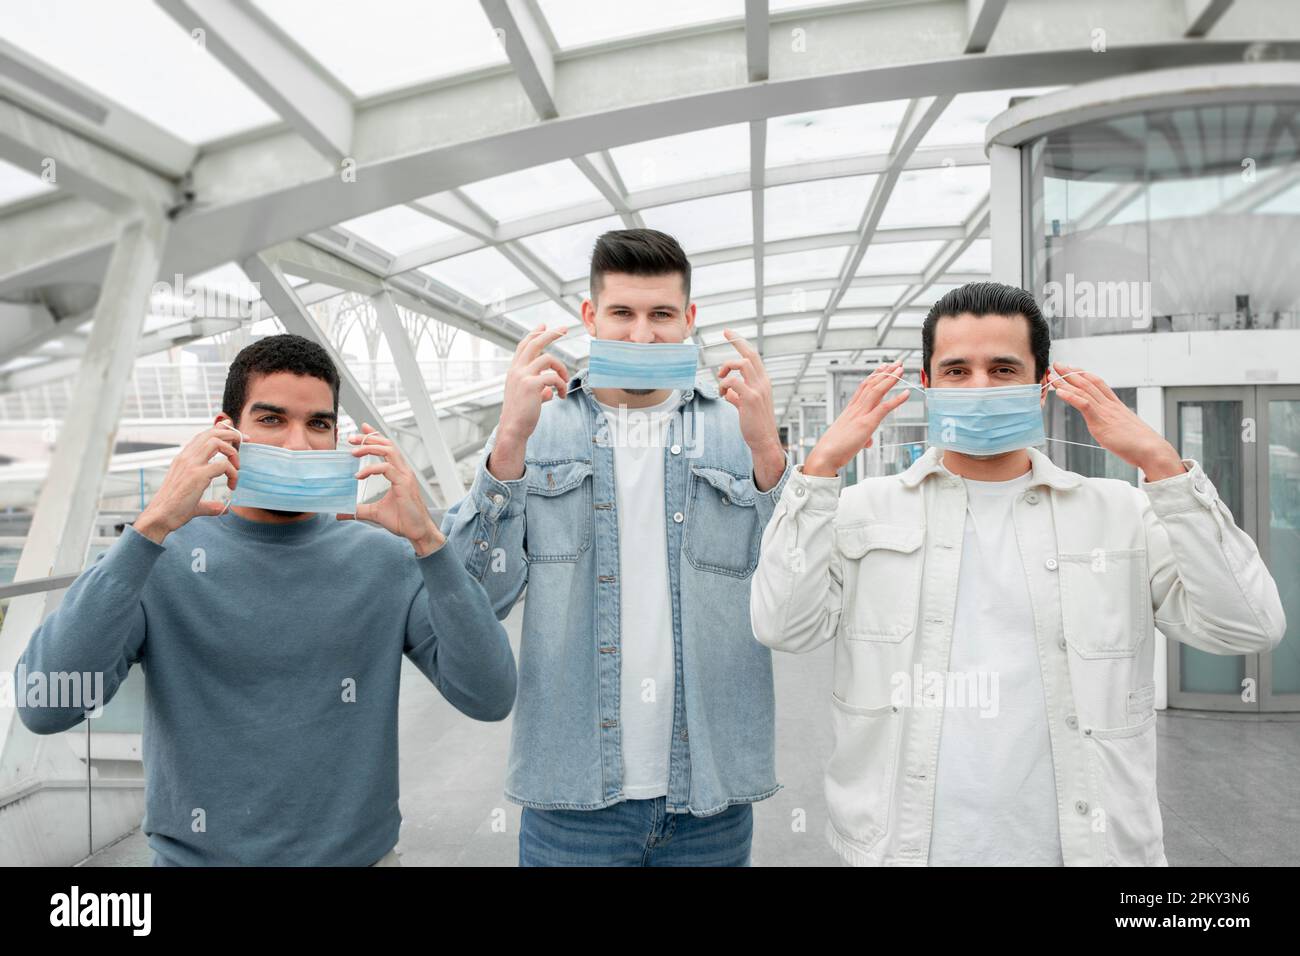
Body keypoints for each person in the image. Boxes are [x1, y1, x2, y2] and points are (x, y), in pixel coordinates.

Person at [750, 281, 1285, 866]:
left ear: (1042, 384)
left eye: (1003, 369)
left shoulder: (1121, 513)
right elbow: (781, 625)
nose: (979, 387)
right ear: (926, 384)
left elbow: (1249, 627)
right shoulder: (860, 512)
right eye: (957, 371)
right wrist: (820, 470)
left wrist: (1163, 466)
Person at [15, 334, 517, 866]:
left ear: (337, 438)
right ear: (225, 432)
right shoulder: (159, 558)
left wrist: (430, 545)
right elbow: (44, 706)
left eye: (318, 424)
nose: (297, 445)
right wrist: (152, 525)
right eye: (272, 420)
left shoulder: (386, 559)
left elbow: (488, 696)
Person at [442, 228, 792, 866]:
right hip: (572, 803)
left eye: (661, 316)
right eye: (622, 314)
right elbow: (474, 597)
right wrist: (509, 440)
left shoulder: (737, 432)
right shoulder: (537, 431)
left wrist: (769, 453)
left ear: (689, 320)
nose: (640, 335)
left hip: (707, 804)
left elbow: (797, 593)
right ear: (590, 318)